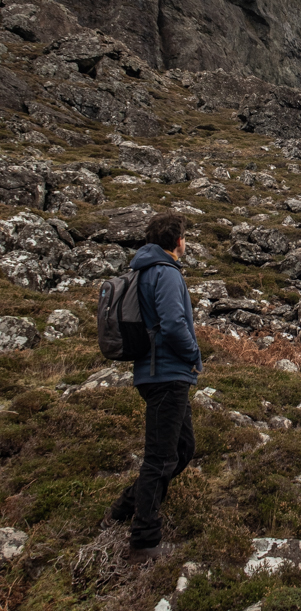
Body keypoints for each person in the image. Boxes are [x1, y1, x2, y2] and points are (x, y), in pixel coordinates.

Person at [104, 211, 202, 560]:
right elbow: (174, 324)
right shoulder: (166, 273)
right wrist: (193, 353)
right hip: (167, 375)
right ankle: (144, 540)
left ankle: (125, 505)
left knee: (183, 449)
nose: (186, 243)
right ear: (178, 241)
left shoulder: (143, 270)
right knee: (160, 458)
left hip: (157, 372)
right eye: (185, 237)